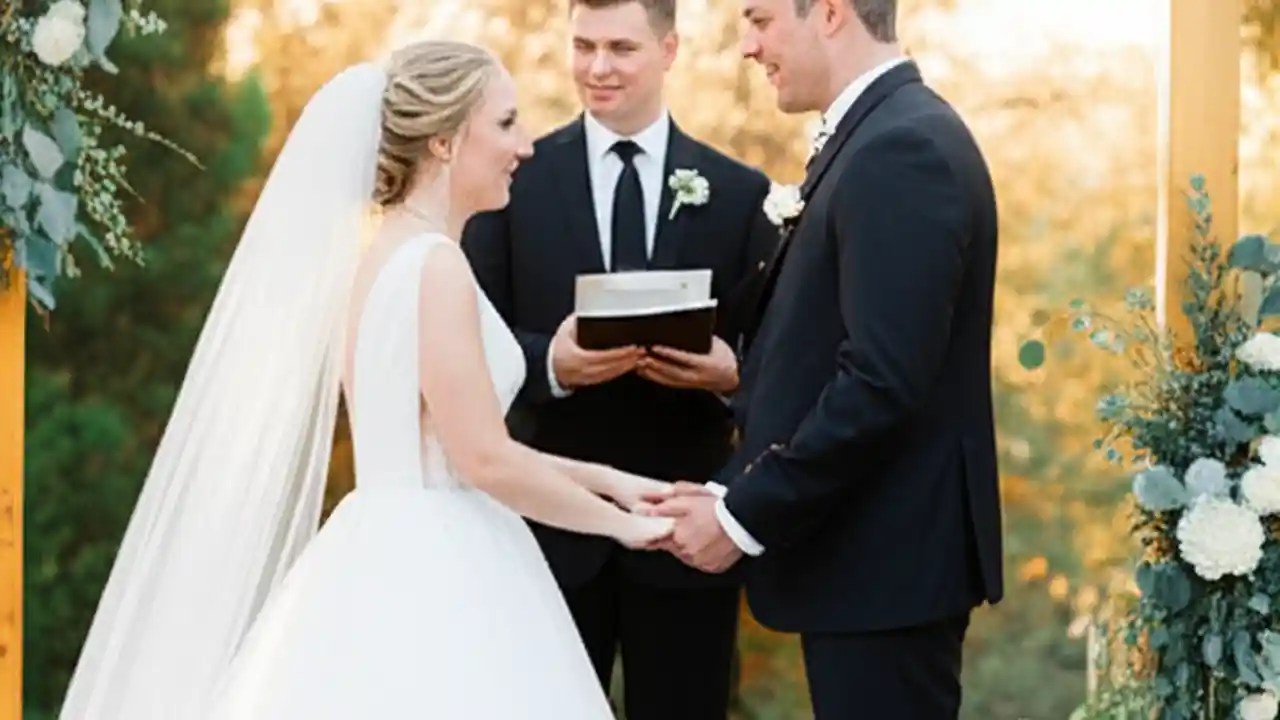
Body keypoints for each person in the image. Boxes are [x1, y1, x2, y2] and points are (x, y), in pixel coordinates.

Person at [57, 40, 674, 720]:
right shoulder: (435, 266)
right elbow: (482, 459)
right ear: (442, 141)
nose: (524, 145)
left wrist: (609, 480)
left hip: (379, 546)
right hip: (443, 567)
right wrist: (621, 527)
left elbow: (445, 439)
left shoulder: (380, 257)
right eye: (505, 123)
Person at [651, 0, 1004, 717]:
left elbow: (879, 383)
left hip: (886, 570)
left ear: (833, 13)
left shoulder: (902, 149)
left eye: (760, 20)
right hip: (864, 567)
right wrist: (724, 488)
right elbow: (818, 355)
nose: (747, 48)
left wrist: (742, 517)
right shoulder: (877, 134)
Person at [460, 0, 776, 716]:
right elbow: (473, 338)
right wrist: (551, 367)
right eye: (584, 46)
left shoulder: (739, 194)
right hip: (547, 529)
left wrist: (731, 374)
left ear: (669, 50)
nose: (598, 68)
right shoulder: (511, 185)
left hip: (684, 532)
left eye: (621, 48)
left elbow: (776, 357)